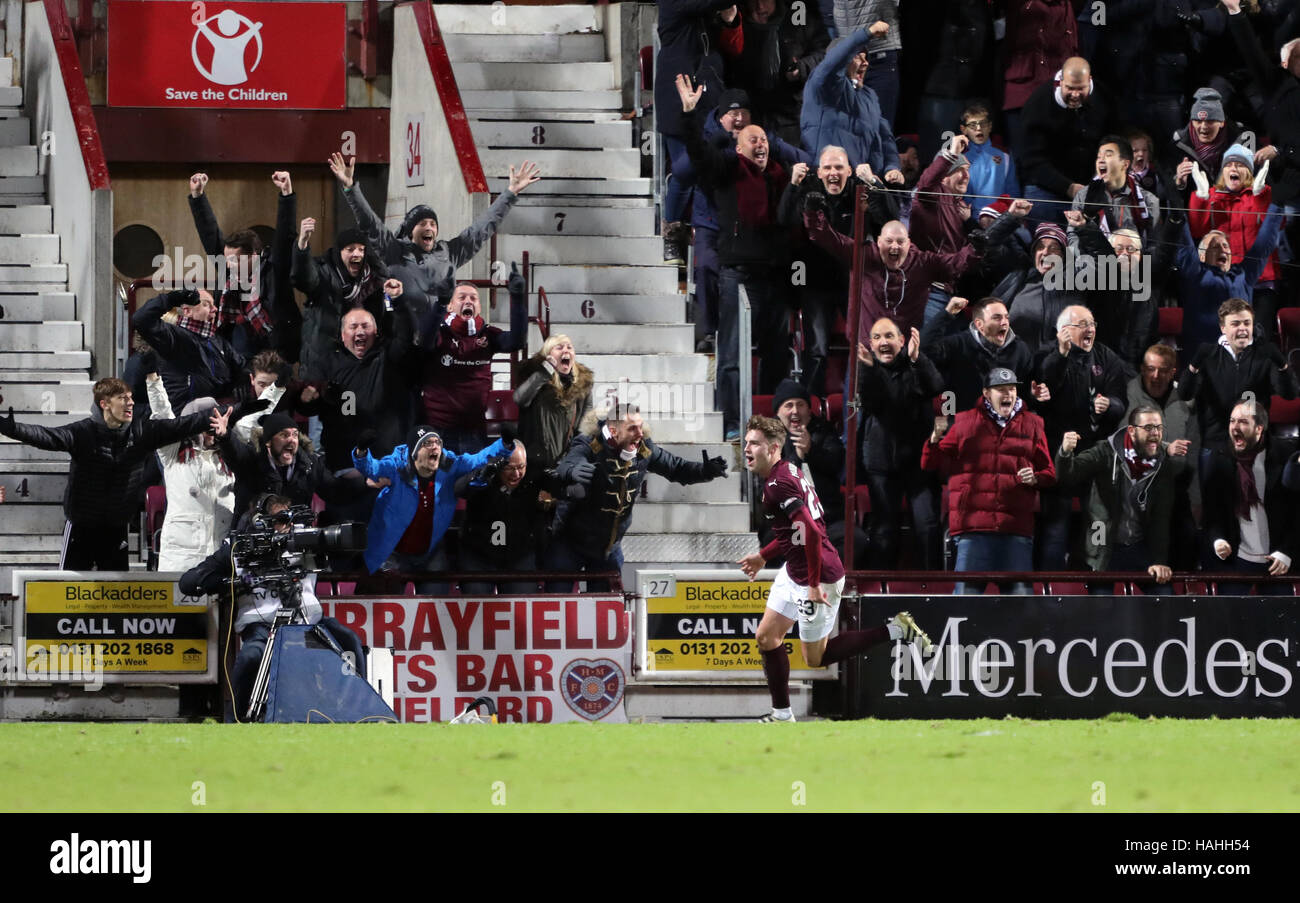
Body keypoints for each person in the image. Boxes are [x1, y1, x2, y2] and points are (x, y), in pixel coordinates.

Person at [737, 414, 931, 723]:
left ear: (773, 447)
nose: (746, 448)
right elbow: (799, 531)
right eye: (746, 442)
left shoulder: (778, 484)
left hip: (819, 576)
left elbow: (812, 532)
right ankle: (782, 714)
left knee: (816, 658)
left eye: (754, 444)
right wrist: (764, 556)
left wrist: (813, 585)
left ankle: (896, 629)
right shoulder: (788, 470)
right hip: (795, 570)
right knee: (766, 637)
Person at [0, 379, 242, 570]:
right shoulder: (82, 432)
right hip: (81, 527)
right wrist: (11, 428)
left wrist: (241, 408)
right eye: (123, 398)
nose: (130, 403)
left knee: (116, 599)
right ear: (105, 403)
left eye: (131, 398)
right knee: (68, 591)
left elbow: (186, 423)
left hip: (116, 529)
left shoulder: (141, 432)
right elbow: (46, 437)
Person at [677, 73, 795, 440]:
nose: (759, 144)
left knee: (777, 352)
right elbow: (697, 153)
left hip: (773, 275)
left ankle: (768, 425)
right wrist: (689, 115)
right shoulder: (727, 168)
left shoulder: (780, 176)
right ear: (739, 148)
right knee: (731, 355)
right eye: (751, 140)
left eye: (763, 139)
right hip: (738, 276)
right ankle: (731, 422)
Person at [179, 494, 366, 720]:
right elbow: (188, 582)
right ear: (260, 522)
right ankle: (236, 719)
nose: (287, 527)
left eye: (290, 520)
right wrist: (236, 583)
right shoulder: (238, 548)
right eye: (281, 520)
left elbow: (346, 545)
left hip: (308, 625)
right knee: (250, 657)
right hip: (263, 627)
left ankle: (358, 711)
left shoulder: (302, 540)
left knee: (349, 641)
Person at [329, 152, 539, 342]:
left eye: (432, 224)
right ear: (411, 231)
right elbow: (370, 223)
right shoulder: (394, 251)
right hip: (402, 339)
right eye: (422, 224)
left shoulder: (449, 252)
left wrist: (510, 193)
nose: (428, 227)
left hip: (440, 341)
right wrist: (350, 188)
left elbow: (482, 228)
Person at [549, 402, 729, 591]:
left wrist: (705, 471)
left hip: (608, 548)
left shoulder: (644, 448)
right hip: (570, 542)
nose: (640, 433)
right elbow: (567, 464)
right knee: (556, 599)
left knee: (607, 610)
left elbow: (676, 467)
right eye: (632, 428)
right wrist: (573, 471)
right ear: (613, 431)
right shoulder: (588, 442)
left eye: (641, 427)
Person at [921, 367, 1056, 593]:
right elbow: (930, 464)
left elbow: (1049, 473)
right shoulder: (963, 422)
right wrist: (934, 439)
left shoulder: (1033, 424)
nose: (1008, 395)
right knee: (966, 605)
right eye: (1001, 390)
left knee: (1021, 606)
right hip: (973, 530)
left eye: (1012, 389)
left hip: (1016, 529)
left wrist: (1036, 478)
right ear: (986, 394)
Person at [778, 146, 899, 392]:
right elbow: (784, 221)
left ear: (850, 171)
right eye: (828, 168)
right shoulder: (809, 190)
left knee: (865, 345)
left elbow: (890, 219)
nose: (834, 173)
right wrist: (792, 185)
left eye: (839, 167)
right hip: (816, 285)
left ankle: (866, 404)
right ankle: (813, 411)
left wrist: (875, 183)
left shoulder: (861, 190)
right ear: (819, 172)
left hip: (854, 283)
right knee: (817, 351)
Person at [352, 426, 509, 591]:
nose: (435, 447)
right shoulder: (396, 465)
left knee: (437, 605)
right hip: (391, 551)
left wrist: (504, 445)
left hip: (429, 551)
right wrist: (361, 452)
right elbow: (372, 468)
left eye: (437, 442)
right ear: (414, 452)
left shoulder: (450, 464)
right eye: (428, 443)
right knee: (381, 603)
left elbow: (478, 459)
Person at [1054, 406, 1190, 595]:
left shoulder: (1162, 465)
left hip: (1139, 547)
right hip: (1104, 543)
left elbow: (1161, 518)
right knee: (1101, 605)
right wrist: (1066, 452)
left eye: (1159, 428)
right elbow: (1068, 475)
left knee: (1166, 598)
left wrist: (1159, 561)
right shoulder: (1105, 452)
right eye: (1149, 428)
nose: (1155, 434)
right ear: (1132, 431)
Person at [856, 320, 943, 569]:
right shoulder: (868, 369)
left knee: (927, 525)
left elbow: (936, 386)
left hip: (919, 463)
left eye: (889, 336)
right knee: (884, 529)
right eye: (877, 337)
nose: (883, 342)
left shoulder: (915, 364)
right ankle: (881, 590)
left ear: (901, 340)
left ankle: (933, 588)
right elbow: (875, 404)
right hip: (881, 463)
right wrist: (869, 370)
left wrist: (918, 358)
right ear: (871, 343)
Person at [298, 296, 414, 473]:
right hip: (344, 466)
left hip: (387, 463)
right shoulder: (328, 364)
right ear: (343, 335)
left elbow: (407, 336)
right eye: (353, 327)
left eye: (365, 326)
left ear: (376, 331)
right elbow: (313, 409)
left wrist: (398, 302)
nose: (360, 331)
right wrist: (308, 401)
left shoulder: (390, 358)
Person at [187, 171, 296, 358]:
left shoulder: (273, 271)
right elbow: (209, 233)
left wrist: (286, 193)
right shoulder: (228, 271)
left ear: (253, 257)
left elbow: (285, 236)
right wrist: (198, 196)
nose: (228, 266)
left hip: (274, 346)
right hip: (237, 350)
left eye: (234, 260)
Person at [419, 270, 527, 454]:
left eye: (473, 298)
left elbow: (517, 341)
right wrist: (439, 303)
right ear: (451, 306)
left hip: (474, 432)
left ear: (479, 306)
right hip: (437, 432)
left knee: (472, 482)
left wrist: (517, 298)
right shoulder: (440, 333)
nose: (468, 301)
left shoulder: (488, 335)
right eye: (461, 297)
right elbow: (425, 340)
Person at [765, 378, 867, 567]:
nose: (795, 411)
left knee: (856, 540)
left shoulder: (825, 431)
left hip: (826, 519)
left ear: (809, 411)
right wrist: (797, 457)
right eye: (789, 405)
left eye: (800, 405)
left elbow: (836, 464)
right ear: (778, 413)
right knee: (774, 544)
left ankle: (824, 582)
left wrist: (811, 450)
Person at [1188, 146, 1280, 342]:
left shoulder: (1261, 193)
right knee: (1229, 337)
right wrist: (1200, 199)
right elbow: (1197, 231)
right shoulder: (1211, 197)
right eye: (1229, 164)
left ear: (1249, 171)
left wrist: (1261, 197)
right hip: (1228, 280)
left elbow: (1274, 227)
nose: (1233, 168)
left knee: (1259, 336)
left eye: (1240, 165)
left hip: (1262, 280)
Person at [1208, 399, 1300, 594]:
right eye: (1232, 421)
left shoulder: (1285, 456)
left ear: (1259, 429)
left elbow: (1296, 513)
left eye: (1242, 422)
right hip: (1238, 560)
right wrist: (1218, 540)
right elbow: (1213, 512)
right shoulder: (1221, 459)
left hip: (1278, 561)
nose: (1235, 427)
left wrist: (1287, 552)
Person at [145, 374, 235, 572]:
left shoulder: (228, 459)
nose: (213, 432)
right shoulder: (173, 453)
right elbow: (163, 416)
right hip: (182, 559)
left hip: (219, 558)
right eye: (207, 426)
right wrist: (154, 382)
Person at [455, 440, 571, 594]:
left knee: (524, 603)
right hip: (479, 555)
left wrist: (566, 482)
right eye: (509, 468)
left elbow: (561, 486)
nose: (516, 474)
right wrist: (479, 478)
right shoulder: (484, 474)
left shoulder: (535, 474)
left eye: (521, 467)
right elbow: (459, 489)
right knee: (475, 603)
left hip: (519, 556)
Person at [1169, 204, 1283, 353]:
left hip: (1239, 363)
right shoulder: (1195, 272)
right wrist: (1175, 205)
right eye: (1214, 246)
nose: (1222, 249)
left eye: (1225, 246)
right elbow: (1183, 242)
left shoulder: (1243, 274)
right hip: (1203, 362)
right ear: (1201, 255)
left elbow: (1264, 245)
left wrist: (1277, 205)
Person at [1128, 344, 1201, 569]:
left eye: (1162, 370)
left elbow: (1194, 453)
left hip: (1176, 486)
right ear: (1142, 369)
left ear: (1173, 372)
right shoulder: (1130, 393)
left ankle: (1185, 598)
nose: (1155, 376)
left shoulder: (1188, 400)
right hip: (1137, 487)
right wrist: (1165, 448)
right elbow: (1125, 439)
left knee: (1187, 542)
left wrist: (1197, 500)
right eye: (1150, 369)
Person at [799, 25, 903, 181]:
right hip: (826, 181)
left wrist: (892, 167)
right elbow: (833, 63)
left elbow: (884, 138)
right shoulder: (823, 85)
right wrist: (866, 33)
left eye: (865, 57)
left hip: (861, 185)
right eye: (857, 56)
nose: (865, 63)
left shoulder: (869, 96)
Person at [218, 411, 363, 519]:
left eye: (294, 435)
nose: (291, 440)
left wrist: (366, 483)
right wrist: (225, 436)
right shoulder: (251, 460)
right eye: (284, 435)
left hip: (294, 544)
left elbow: (335, 492)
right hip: (251, 540)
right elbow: (234, 454)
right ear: (268, 441)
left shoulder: (309, 464)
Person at [1019, 58, 1112, 223]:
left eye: (1080, 89)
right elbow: (1031, 160)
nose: (1075, 95)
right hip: (1045, 189)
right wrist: (1068, 187)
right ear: (1060, 82)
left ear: (1089, 81)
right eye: (1069, 88)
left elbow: (1113, 140)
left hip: (1089, 190)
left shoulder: (1103, 97)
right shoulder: (1038, 103)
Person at [292, 220, 388, 379]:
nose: (356, 254)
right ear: (339, 253)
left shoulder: (372, 280)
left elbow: (385, 316)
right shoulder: (323, 271)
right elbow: (303, 278)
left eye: (361, 250)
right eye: (350, 249)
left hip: (360, 365)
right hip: (322, 366)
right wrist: (302, 244)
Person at [132, 288, 244, 412]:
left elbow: (242, 365)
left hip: (214, 412)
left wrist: (243, 379)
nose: (215, 309)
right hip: (183, 415)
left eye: (214, 305)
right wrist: (171, 299)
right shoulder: (173, 337)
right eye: (206, 304)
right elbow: (141, 319)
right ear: (187, 311)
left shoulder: (217, 341)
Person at [920, 296, 1033, 412]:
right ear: (979, 324)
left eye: (1006, 317)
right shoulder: (958, 344)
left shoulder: (1020, 349)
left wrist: (1035, 395)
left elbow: (1027, 392)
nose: (1004, 322)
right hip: (964, 424)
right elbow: (924, 350)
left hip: (1005, 426)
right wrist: (947, 313)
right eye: (997, 318)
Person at [514, 333, 595, 474]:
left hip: (565, 463)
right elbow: (520, 399)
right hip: (532, 461)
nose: (566, 350)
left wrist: (571, 458)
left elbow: (585, 427)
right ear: (548, 356)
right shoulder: (533, 375)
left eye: (569, 347)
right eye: (559, 347)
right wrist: (544, 372)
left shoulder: (583, 385)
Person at [1070, 135, 1161, 241]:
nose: (1101, 161)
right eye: (1099, 157)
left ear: (1125, 164)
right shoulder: (1083, 196)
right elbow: (1073, 237)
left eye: (1108, 155)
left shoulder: (1149, 201)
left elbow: (1155, 244)